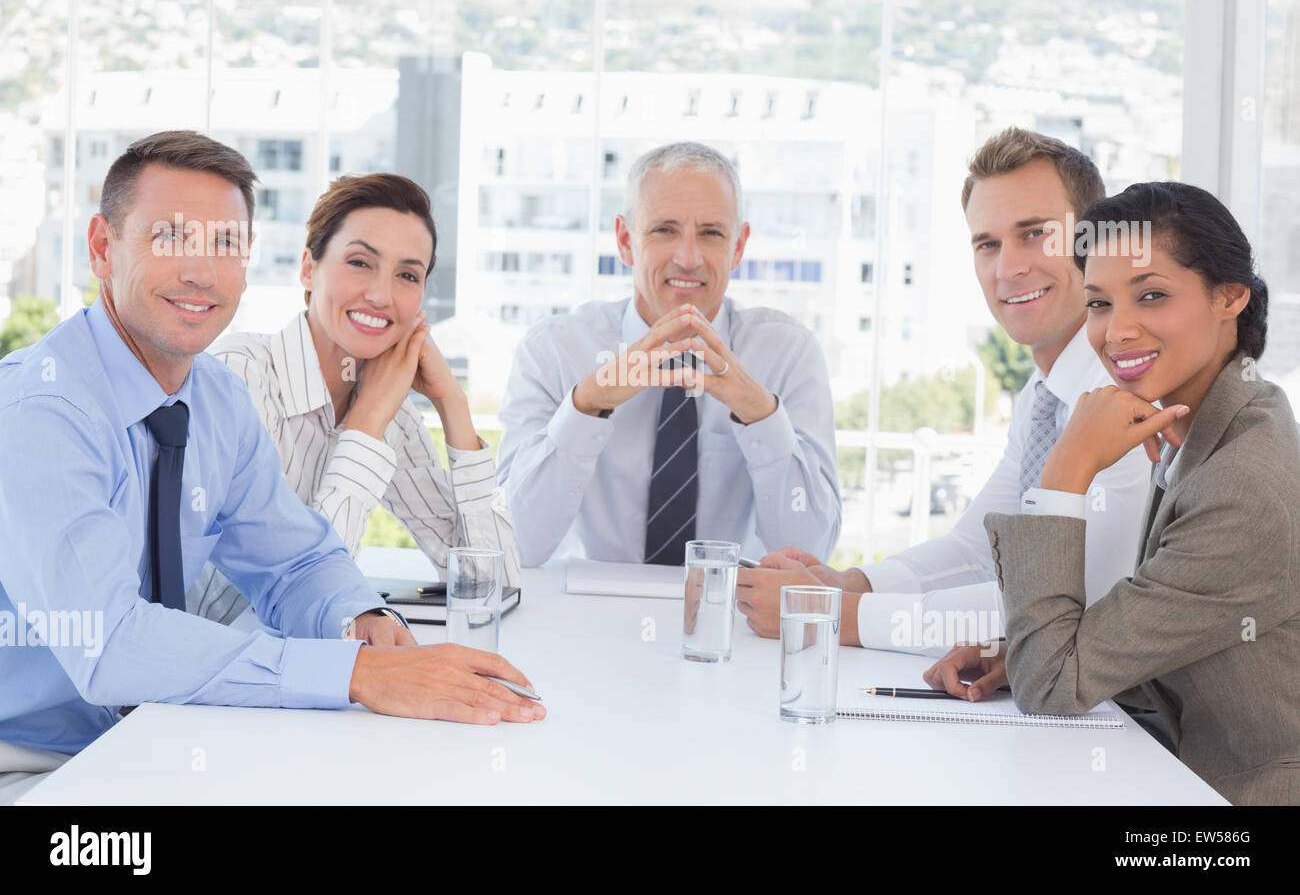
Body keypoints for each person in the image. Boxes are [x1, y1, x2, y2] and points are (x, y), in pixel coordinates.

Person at [0, 132, 542, 805]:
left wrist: (358, 621)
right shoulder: (40, 410)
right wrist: (352, 675)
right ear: (103, 248)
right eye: (171, 238)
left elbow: (296, 560)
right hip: (32, 766)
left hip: (157, 740)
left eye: (226, 245)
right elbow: (109, 643)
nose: (202, 271)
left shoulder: (215, 400)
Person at [736, 128, 1151, 692]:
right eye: (988, 244)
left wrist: (838, 615)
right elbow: (979, 550)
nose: (1009, 268)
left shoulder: (1123, 394)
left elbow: (1071, 602)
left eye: (1034, 234)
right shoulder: (1043, 397)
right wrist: (849, 583)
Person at [935, 182, 1299, 805]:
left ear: (1229, 298)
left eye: (1152, 296)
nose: (1117, 332)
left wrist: (1068, 467)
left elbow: (1050, 687)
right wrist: (1027, 653)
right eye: (1100, 304)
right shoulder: (1218, 424)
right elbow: (1175, 643)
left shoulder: (1243, 483)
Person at [188, 173, 518, 627]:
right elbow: (301, 595)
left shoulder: (390, 410)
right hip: (185, 685)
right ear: (308, 268)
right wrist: (365, 424)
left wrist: (453, 405)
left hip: (280, 683)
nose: (381, 295)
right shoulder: (241, 373)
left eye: (407, 275)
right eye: (360, 262)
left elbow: (492, 585)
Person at [497, 141, 840, 567]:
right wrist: (586, 406)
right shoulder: (554, 351)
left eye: (711, 233)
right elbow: (513, 547)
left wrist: (760, 413)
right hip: (582, 615)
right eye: (664, 230)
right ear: (625, 241)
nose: (688, 258)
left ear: (738, 246)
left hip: (730, 621)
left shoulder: (787, 353)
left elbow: (811, 551)